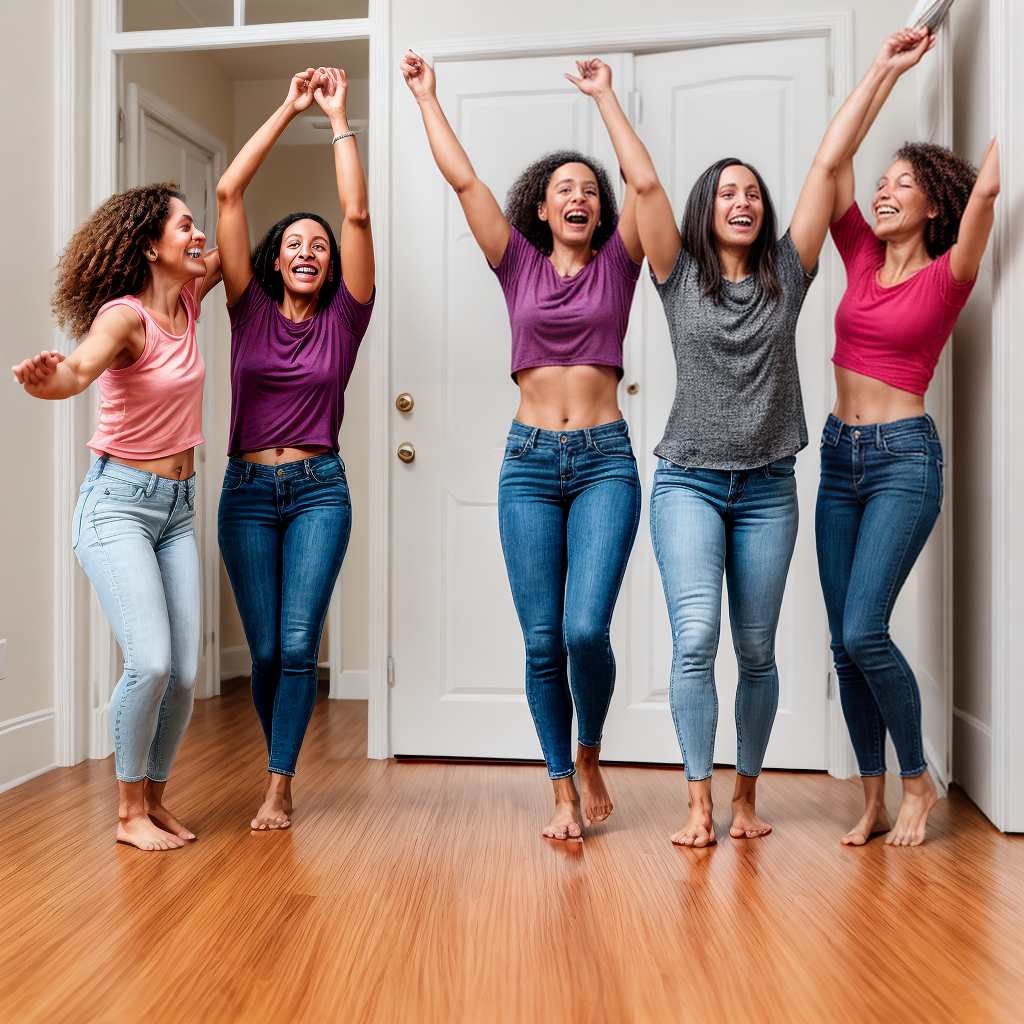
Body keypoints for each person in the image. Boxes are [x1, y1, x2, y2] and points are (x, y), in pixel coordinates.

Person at [569, 28, 938, 848]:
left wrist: (882, 69)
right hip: (689, 482)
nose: (743, 201)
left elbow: (823, 163)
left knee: (759, 650)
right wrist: (604, 99)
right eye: (728, 192)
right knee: (696, 639)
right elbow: (645, 182)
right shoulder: (674, 272)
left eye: (752, 194)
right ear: (708, 208)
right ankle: (698, 800)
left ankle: (745, 796)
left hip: (770, 485)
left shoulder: (790, 269)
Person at [401, 50, 644, 841]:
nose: (579, 196)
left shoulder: (620, 262)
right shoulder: (516, 265)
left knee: (585, 632)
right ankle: (561, 787)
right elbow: (464, 180)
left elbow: (644, 187)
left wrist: (605, 100)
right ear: (540, 209)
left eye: (588, 190)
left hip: (606, 458)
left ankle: (593, 746)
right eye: (563, 189)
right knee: (542, 640)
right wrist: (427, 98)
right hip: (529, 465)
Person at [816, 73, 999, 846]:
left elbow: (988, 191)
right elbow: (831, 164)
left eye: (905, 185)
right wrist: (885, 69)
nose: (886, 193)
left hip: (902, 463)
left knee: (865, 631)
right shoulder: (859, 255)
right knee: (842, 644)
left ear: (934, 207)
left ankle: (917, 780)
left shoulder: (948, 273)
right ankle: (873, 797)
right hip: (836, 458)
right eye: (883, 183)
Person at [12, 184, 222, 850]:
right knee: (151, 661)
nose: (198, 237)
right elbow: (77, 372)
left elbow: (235, 210)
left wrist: (294, 110)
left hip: (178, 513)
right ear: (148, 245)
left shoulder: (188, 299)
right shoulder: (123, 318)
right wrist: (50, 379)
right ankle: (128, 812)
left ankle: (155, 801)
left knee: (186, 672)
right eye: (185, 227)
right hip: (118, 507)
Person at [215, 67, 375, 831]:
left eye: (320, 245)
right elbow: (227, 196)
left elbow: (358, 211)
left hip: (318, 489)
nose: (310, 249)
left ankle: (279, 783)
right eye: (296, 243)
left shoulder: (347, 317)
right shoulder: (244, 308)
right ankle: (278, 756)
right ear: (275, 259)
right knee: (268, 652)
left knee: (301, 640)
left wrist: (337, 117)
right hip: (244, 493)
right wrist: (286, 106)